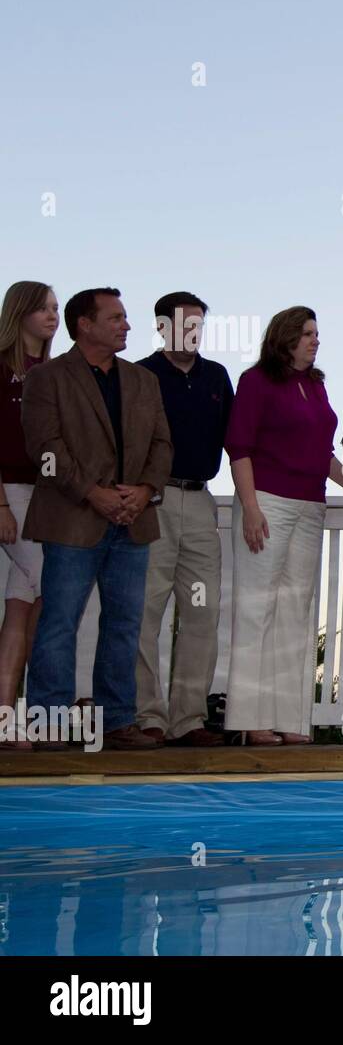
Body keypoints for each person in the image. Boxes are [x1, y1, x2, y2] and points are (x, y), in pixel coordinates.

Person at [21, 287, 174, 750]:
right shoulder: (47, 378)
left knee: (126, 622)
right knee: (59, 621)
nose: (127, 325)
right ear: (84, 324)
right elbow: (45, 449)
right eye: (116, 318)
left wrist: (144, 491)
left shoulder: (143, 380)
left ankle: (116, 721)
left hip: (134, 519)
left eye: (126, 318)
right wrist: (95, 495)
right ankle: (48, 722)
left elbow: (163, 445)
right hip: (72, 519)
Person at [223, 306, 343, 746]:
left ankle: (291, 719)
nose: (315, 340)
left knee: (295, 614)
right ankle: (252, 719)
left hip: (309, 507)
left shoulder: (315, 386)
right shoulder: (256, 381)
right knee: (256, 610)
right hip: (267, 502)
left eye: (317, 333)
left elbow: (323, 454)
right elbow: (239, 447)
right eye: (306, 333)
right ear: (285, 337)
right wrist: (249, 507)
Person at [133, 292, 233, 747]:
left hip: (200, 500)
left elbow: (240, 441)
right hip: (151, 500)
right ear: (161, 327)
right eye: (183, 324)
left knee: (201, 611)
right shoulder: (139, 375)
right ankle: (146, 717)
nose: (192, 333)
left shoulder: (216, 376)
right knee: (146, 612)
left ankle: (188, 720)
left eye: (198, 325)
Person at [0, 282, 59, 751]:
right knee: (50, 589)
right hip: (12, 493)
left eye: (57, 308)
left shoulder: (56, 371)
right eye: (43, 308)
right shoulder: (1, 367)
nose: (52, 315)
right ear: (19, 311)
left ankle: (7, 718)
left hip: (50, 498)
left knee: (20, 604)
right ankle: (31, 712)